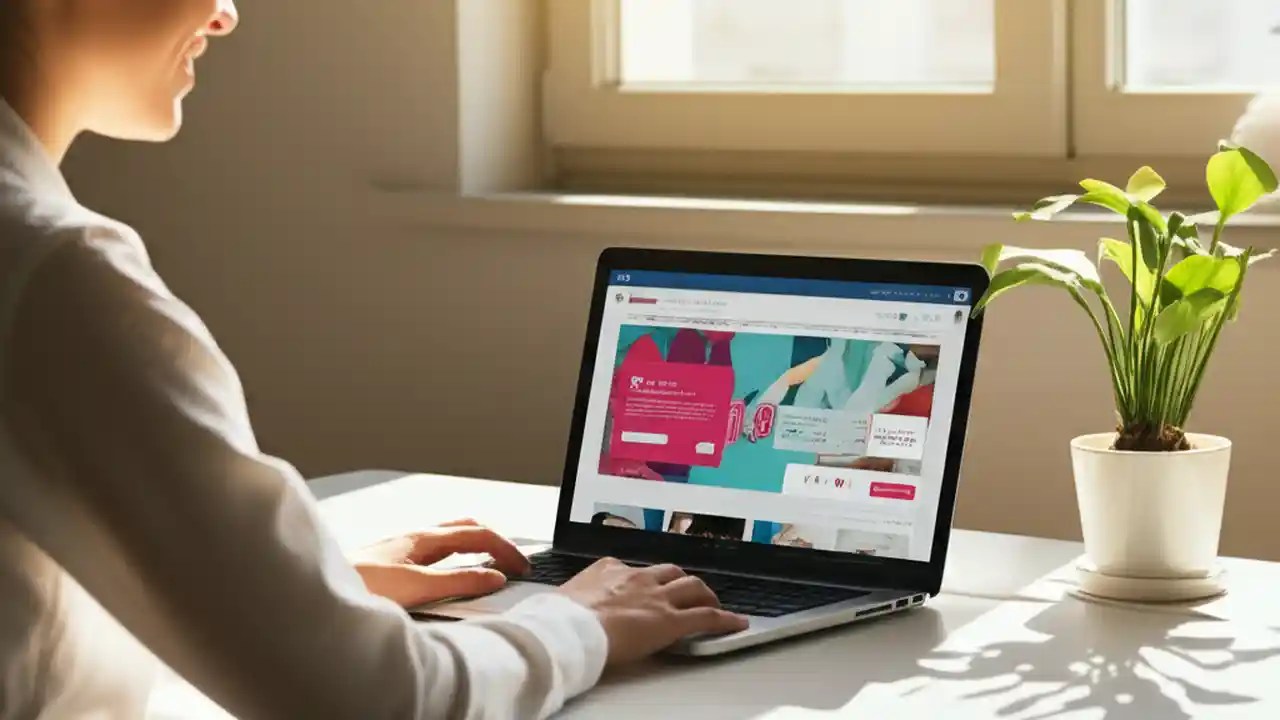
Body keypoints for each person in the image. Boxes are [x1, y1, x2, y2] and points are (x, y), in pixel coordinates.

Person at [0, 2, 747, 718]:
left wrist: (287, 591)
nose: (227, 14)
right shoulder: (56, 276)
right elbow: (378, 700)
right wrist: (580, 623)